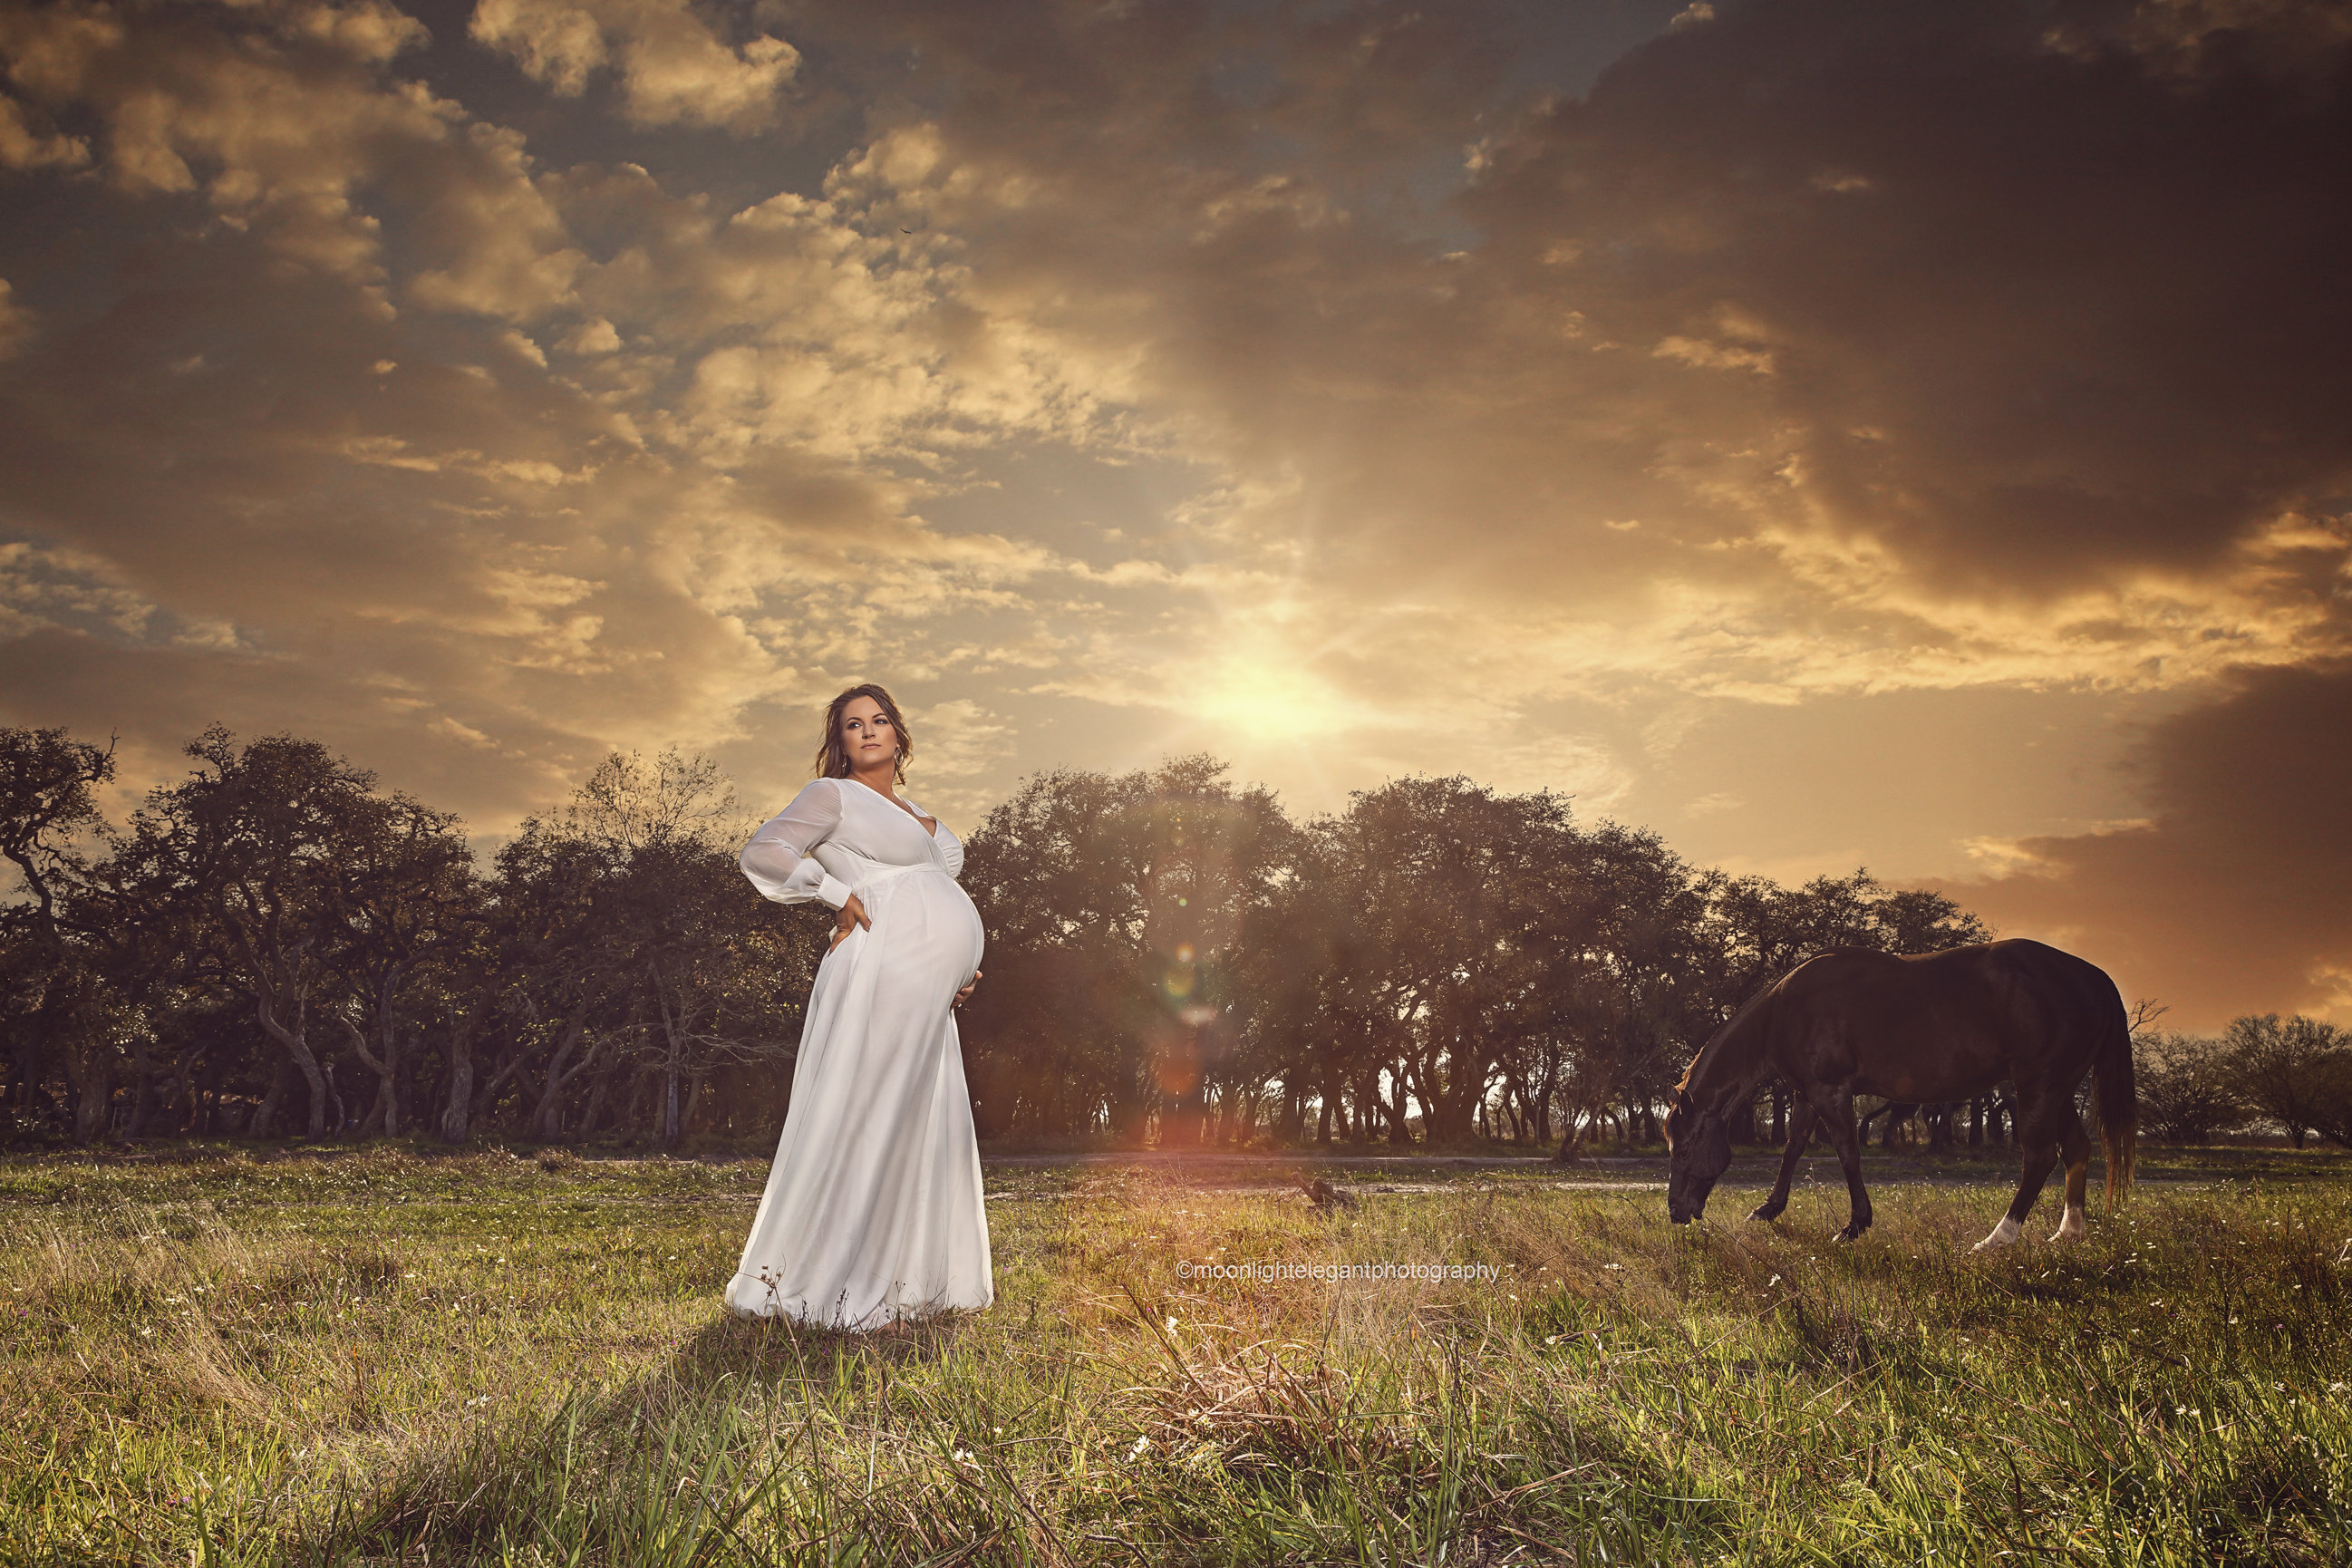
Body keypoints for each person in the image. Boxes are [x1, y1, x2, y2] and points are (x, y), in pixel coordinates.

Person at [725, 683, 991, 1328]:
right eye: (851, 725)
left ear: (899, 735)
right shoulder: (831, 795)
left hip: (928, 982)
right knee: (874, 1106)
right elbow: (763, 851)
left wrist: (958, 969)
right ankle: (837, 1279)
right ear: (838, 741)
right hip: (883, 962)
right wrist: (833, 892)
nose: (867, 732)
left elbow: (933, 890)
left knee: (919, 1117)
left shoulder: (917, 809)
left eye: (878, 721)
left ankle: (907, 1277)